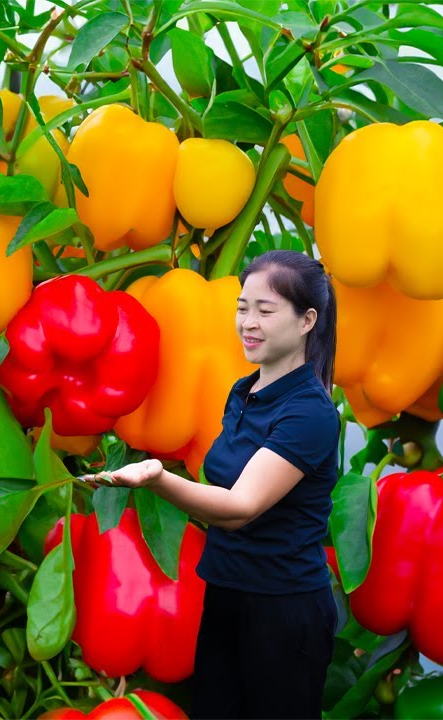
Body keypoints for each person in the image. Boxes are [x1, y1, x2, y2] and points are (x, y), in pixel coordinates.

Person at [80, 250, 341, 719]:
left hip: (283, 610)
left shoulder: (310, 413)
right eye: (243, 308)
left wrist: (157, 478)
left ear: (307, 321)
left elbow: (241, 506)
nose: (249, 323)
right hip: (225, 593)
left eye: (266, 310)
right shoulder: (243, 393)